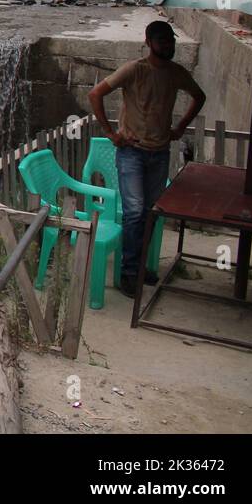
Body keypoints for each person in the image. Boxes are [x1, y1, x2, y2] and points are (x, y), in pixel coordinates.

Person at [89, 21, 206, 298]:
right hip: (132, 152)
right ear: (149, 41)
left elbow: (199, 97)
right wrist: (110, 133)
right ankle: (129, 273)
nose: (168, 45)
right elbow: (96, 94)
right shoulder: (134, 69)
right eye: (163, 40)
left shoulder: (176, 73)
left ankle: (139, 267)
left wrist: (179, 128)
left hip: (160, 152)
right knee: (134, 211)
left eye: (171, 41)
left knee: (151, 211)